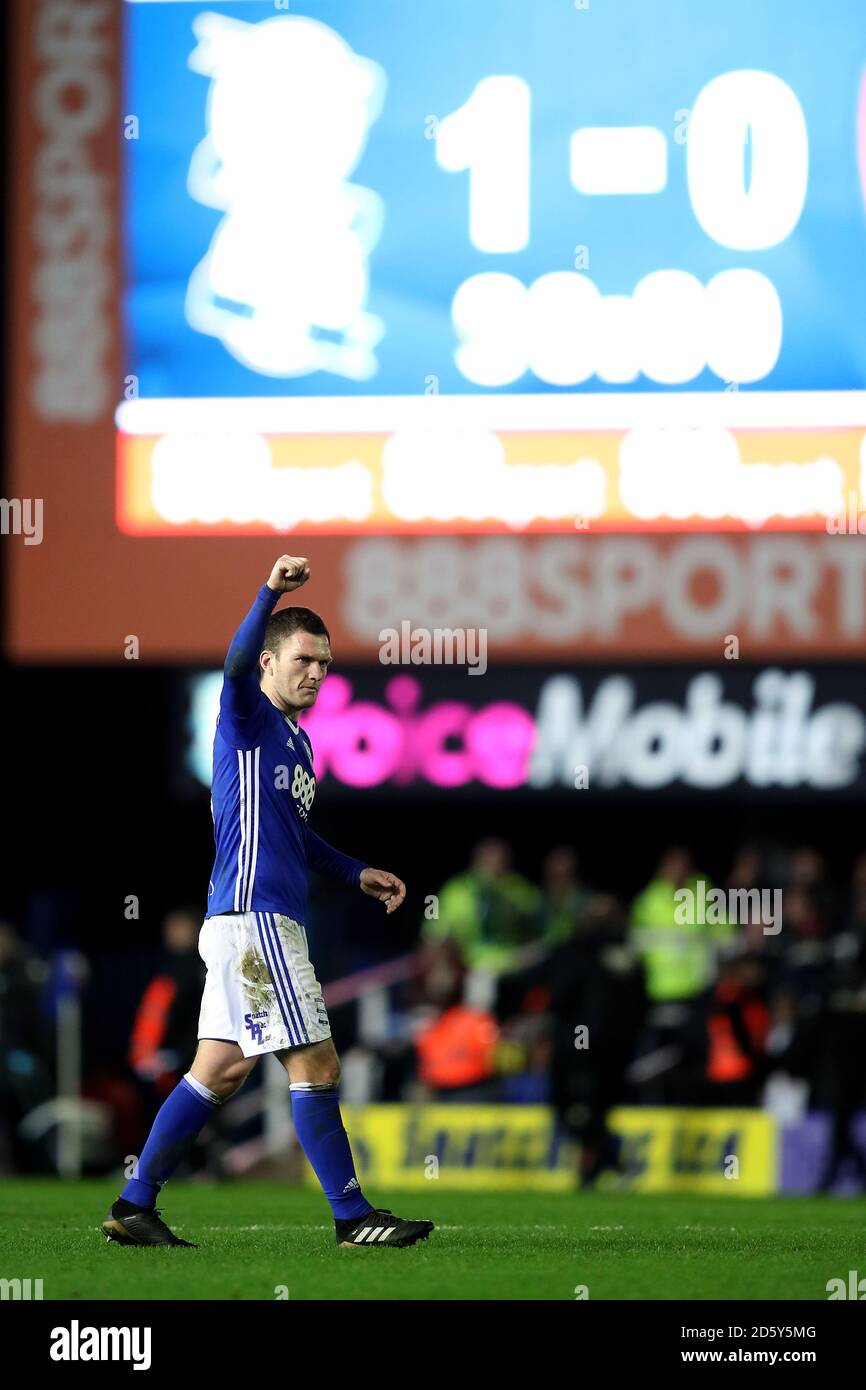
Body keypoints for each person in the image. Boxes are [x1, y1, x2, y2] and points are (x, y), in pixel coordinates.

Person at [101, 555, 433, 1250]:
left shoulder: (299, 743)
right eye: (303, 659)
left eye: (324, 663)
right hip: (257, 924)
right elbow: (230, 665)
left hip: (246, 923)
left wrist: (356, 872)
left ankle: (135, 1205)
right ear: (270, 663)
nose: (315, 673)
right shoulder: (247, 715)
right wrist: (270, 592)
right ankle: (352, 1217)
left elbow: (298, 838)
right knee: (318, 1065)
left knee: (217, 1071)